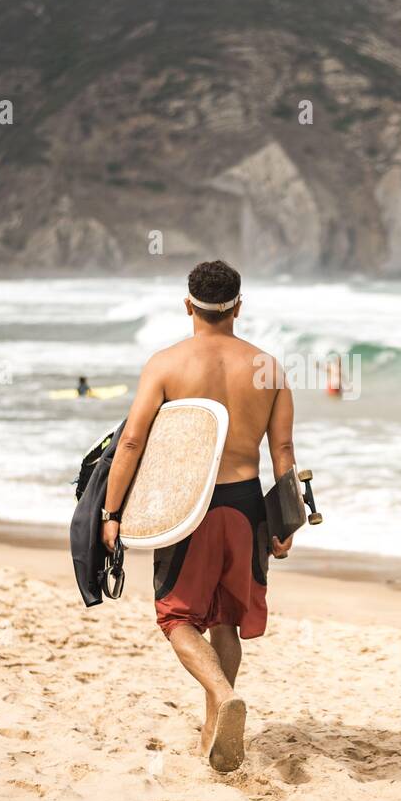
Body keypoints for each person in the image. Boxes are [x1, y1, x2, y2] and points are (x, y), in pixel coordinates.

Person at [101, 259, 295, 773]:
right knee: (227, 617)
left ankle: (221, 696)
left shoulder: (166, 364)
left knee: (177, 617)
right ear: (237, 307)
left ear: (188, 305)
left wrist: (111, 512)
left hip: (188, 507)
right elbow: (283, 452)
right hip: (247, 505)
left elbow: (134, 441)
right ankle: (213, 726)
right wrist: (286, 522)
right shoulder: (268, 367)